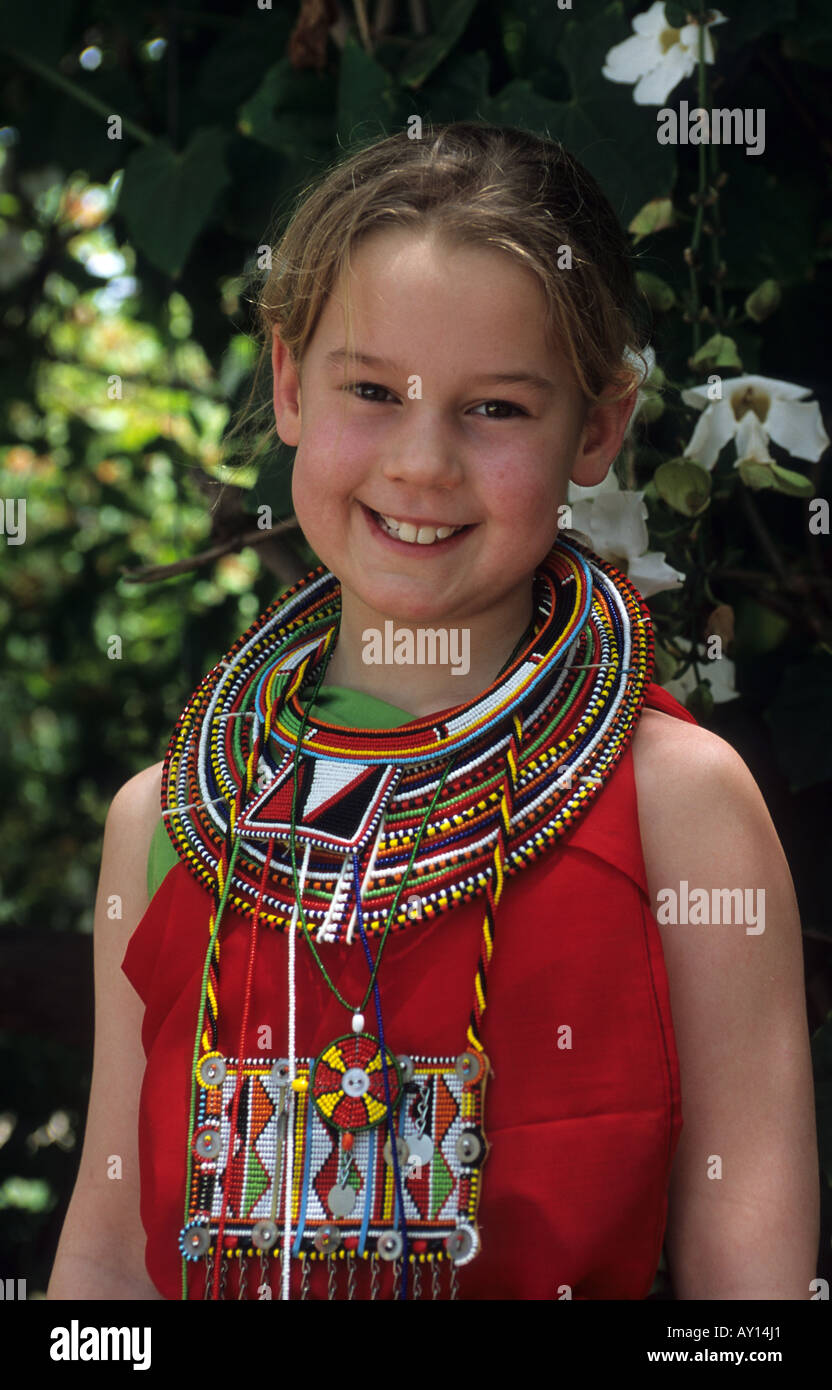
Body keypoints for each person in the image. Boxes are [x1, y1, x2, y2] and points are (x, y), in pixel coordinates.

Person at [47, 121, 818, 1302]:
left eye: (495, 409)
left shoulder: (678, 805)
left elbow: (749, 1302)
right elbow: (106, 1269)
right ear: (290, 383)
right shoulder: (167, 820)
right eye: (370, 389)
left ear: (597, 429)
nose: (420, 462)